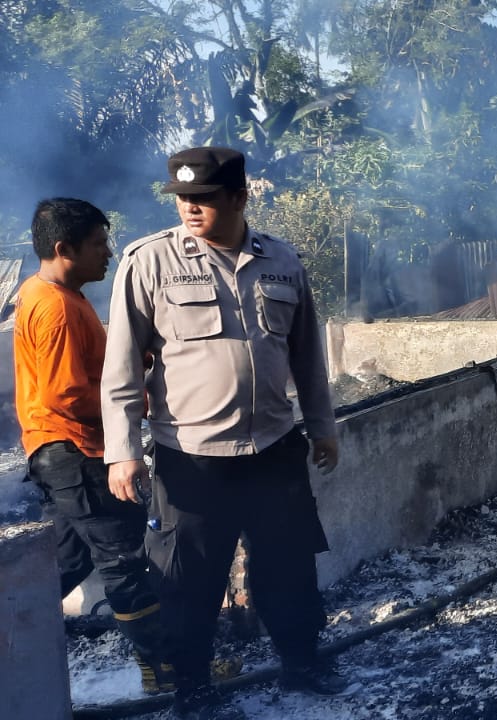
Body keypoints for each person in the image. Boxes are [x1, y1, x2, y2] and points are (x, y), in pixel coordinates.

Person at [102, 147, 347, 720]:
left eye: (205, 198)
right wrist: (123, 451)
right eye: (183, 197)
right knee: (189, 580)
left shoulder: (283, 262)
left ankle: (302, 664)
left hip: (274, 448)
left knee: (288, 567)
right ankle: (193, 690)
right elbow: (121, 369)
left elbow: (308, 357)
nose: (190, 207)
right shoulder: (149, 262)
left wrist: (323, 427)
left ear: (239, 198)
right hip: (191, 454)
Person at [15, 198, 173, 692]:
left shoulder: (46, 292)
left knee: (68, 559)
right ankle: (164, 669)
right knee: (124, 559)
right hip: (77, 450)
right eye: (99, 244)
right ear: (65, 248)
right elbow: (65, 394)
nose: (108, 252)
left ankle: (13, 634)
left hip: (54, 450)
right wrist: (137, 402)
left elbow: (81, 368)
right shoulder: (59, 307)